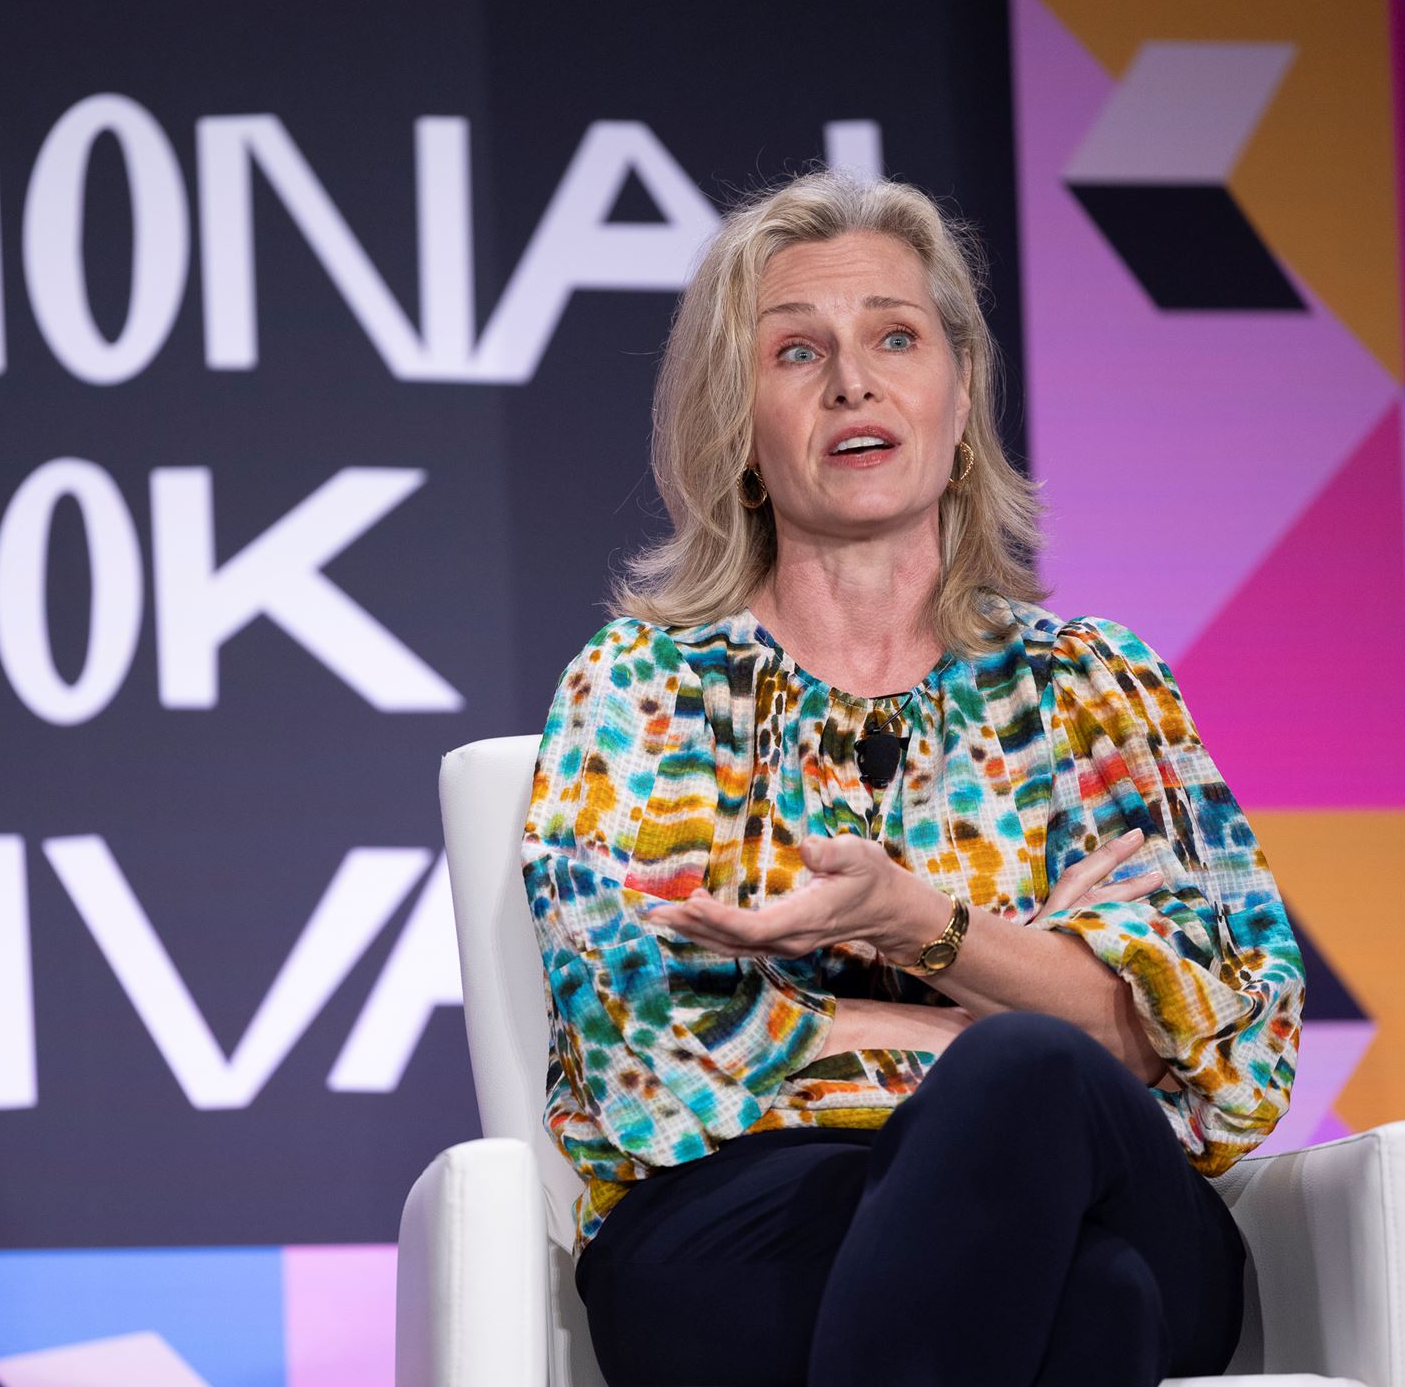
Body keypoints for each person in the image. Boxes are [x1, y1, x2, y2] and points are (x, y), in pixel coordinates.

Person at [518, 169, 1305, 1387]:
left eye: (896, 335)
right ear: (737, 421)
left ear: (961, 390)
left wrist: (914, 930)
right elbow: (643, 1054)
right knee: (1091, 1296)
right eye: (796, 352)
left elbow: (1221, 1043)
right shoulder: (643, 692)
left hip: (1106, 1184)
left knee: (1034, 1083)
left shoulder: (1093, 691)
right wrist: (1024, 985)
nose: (853, 381)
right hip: (752, 1224)